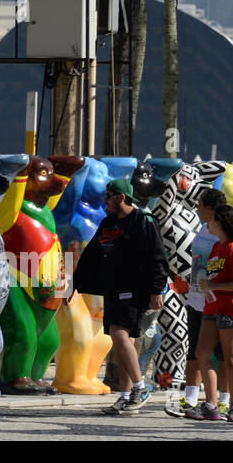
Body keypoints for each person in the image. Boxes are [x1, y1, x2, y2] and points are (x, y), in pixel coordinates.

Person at [71, 177, 165, 414]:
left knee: (118, 333)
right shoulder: (108, 223)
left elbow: (158, 257)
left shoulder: (143, 221)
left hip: (135, 289)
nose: (105, 201)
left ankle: (141, 388)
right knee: (124, 342)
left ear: (121, 197)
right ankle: (125, 397)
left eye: (108, 196)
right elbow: (91, 254)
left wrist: (156, 290)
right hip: (113, 289)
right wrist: (74, 284)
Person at [186, 202, 233, 423]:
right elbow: (220, 277)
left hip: (232, 309)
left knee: (232, 358)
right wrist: (208, 283)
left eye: (213, 220)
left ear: (222, 223)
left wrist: (215, 286)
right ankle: (211, 404)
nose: (209, 223)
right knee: (202, 353)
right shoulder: (217, 248)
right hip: (212, 307)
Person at [167, 188, 225, 417]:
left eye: (200, 205)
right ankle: (190, 399)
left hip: (218, 301)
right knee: (195, 351)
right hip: (196, 299)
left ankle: (224, 401)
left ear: (210, 208)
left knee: (222, 355)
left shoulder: (224, 232)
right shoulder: (203, 227)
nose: (197, 209)